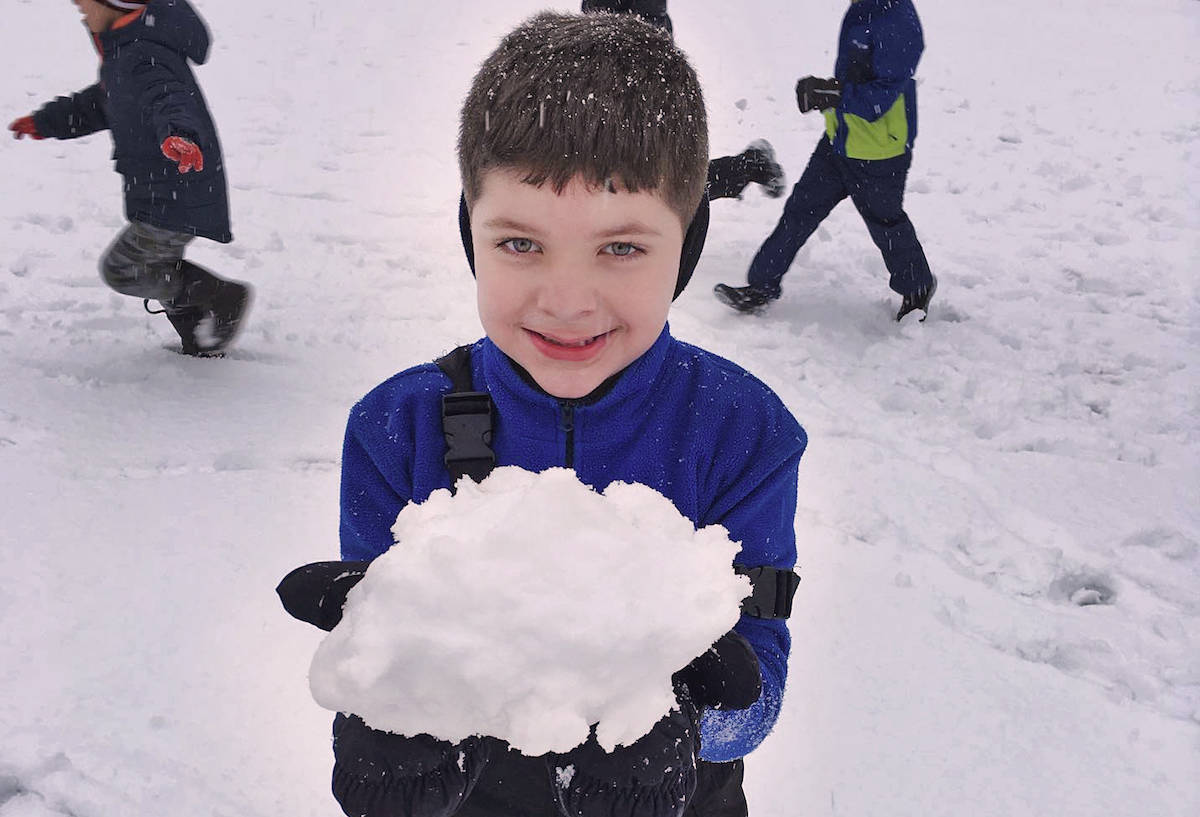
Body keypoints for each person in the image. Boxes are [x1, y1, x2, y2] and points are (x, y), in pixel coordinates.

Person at [276, 11, 807, 817]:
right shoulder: (398, 426)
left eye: (621, 247)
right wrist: (387, 702)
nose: (565, 302)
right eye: (519, 244)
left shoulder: (743, 433)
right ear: (471, 235)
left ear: (686, 244)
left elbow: (757, 697)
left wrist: (696, 717)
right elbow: (385, 652)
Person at [8, 0, 251, 356]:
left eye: (85, 1)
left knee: (124, 269)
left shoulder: (143, 55)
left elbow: (171, 99)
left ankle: (219, 297)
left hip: (177, 183)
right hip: (164, 186)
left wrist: (179, 135)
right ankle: (200, 328)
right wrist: (48, 122)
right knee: (156, 266)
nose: (78, 6)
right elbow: (103, 103)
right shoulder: (127, 52)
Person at [714, 0, 937, 322]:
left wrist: (831, 94)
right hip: (838, 141)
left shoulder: (898, 21)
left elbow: (884, 95)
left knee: (885, 223)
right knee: (799, 212)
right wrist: (828, 92)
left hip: (878, 154)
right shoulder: (865, 8)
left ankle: (917, 287)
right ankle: (761, 287)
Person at [581, 0, 787, 202]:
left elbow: (643, 25)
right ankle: (748, 166)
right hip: (619, 72)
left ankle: (749, 165)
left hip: (639, 76)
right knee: (650, 187)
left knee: (661, 189)